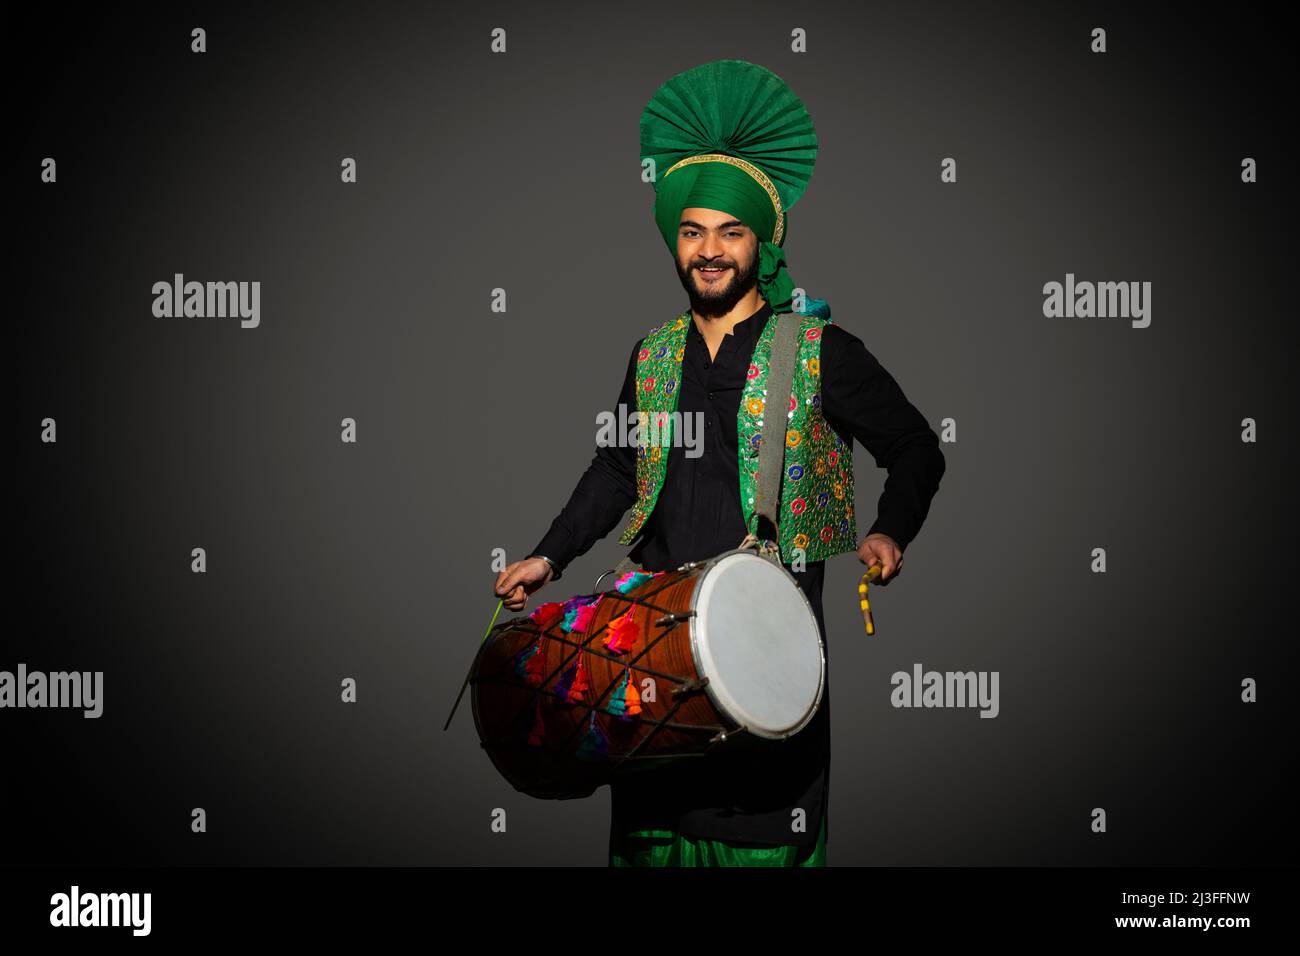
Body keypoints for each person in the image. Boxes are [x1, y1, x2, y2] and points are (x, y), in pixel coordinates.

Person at [493, 60, 945, 866]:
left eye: (730, 232)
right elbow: (618, 467)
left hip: (767, 665)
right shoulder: (654, 353)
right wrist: (548, 554)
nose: (709, 251)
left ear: (759, 241)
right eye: (693, 230)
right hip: (649, 661)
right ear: (674, 239)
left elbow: (915, 446)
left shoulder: (818, 351)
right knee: (649, 841)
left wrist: (888, 531)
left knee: (763, 842)